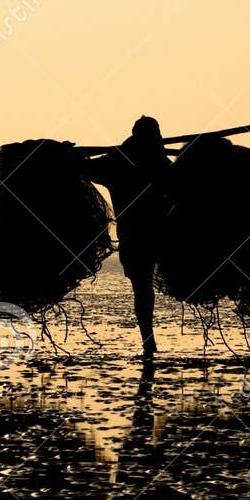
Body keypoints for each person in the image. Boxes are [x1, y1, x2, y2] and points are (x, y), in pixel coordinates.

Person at [86, 117, 171, 354]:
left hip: (142, 236)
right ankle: (148, 341)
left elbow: (87, 167)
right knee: (143, 287)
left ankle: (148, 340)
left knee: (141, 287)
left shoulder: (118, 162)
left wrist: (70, 155)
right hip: (148, 235)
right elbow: (86, 168)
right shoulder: (158, 162)